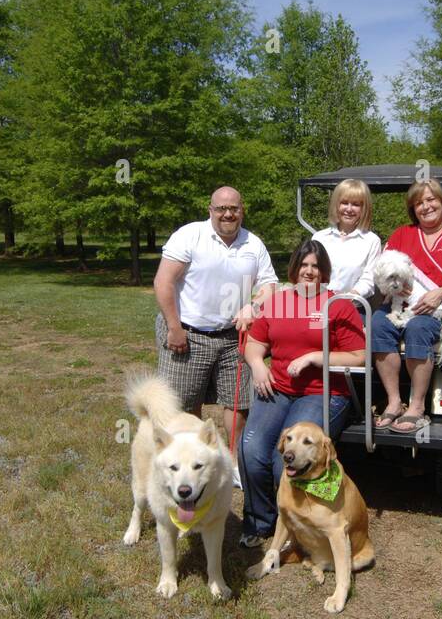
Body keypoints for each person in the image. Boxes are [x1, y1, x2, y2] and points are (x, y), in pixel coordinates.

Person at [238, 240, 366, 547]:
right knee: (251, 448)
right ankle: (259, 521)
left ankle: (294, 526)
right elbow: (256, 343)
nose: (309, 272)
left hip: (323, 392)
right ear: (295, 268)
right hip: (278, 388)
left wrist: (315, 357)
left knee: (286, 458)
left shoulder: (338, 305)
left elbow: (359, 356)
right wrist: (257, 364)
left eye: (316, 267)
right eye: (304, 265)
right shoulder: (278, 301)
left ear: (324, 273)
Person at [154, 186, 278, 457]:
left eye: (234, 208)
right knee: (185, 403)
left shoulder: (253, 243)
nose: (228, 214)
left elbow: (270, 284)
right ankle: (191, 459)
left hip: (235, 336)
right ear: (210, 210)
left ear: (242, 210)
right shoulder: (189, 235)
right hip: (187, 334)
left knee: (239, 404)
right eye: (221, 208)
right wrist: (174, 328)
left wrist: (253, 306)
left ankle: (234, 461)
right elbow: (163, 281)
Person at [371, 178, 442, 434]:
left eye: (431, 200)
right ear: (413, 208)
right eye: (419, 202)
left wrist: (438, 294)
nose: (426, 206)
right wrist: (395, 289)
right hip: (401, 303)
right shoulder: (402, 235)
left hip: (440, 311)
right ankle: (394, 400)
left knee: (418, 327)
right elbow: (384, 272)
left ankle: (417, 406)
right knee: (377, 322)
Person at [312, 178, 382, 305]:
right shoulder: (319, 238)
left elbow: (369, 280)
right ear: (336, 205)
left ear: (363, 209)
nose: (349, 209)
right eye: (344, 203)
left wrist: (350, 297)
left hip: (352, 308)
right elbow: (311, 273)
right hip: (319, 305)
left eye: (356, 204)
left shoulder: (372, 241)